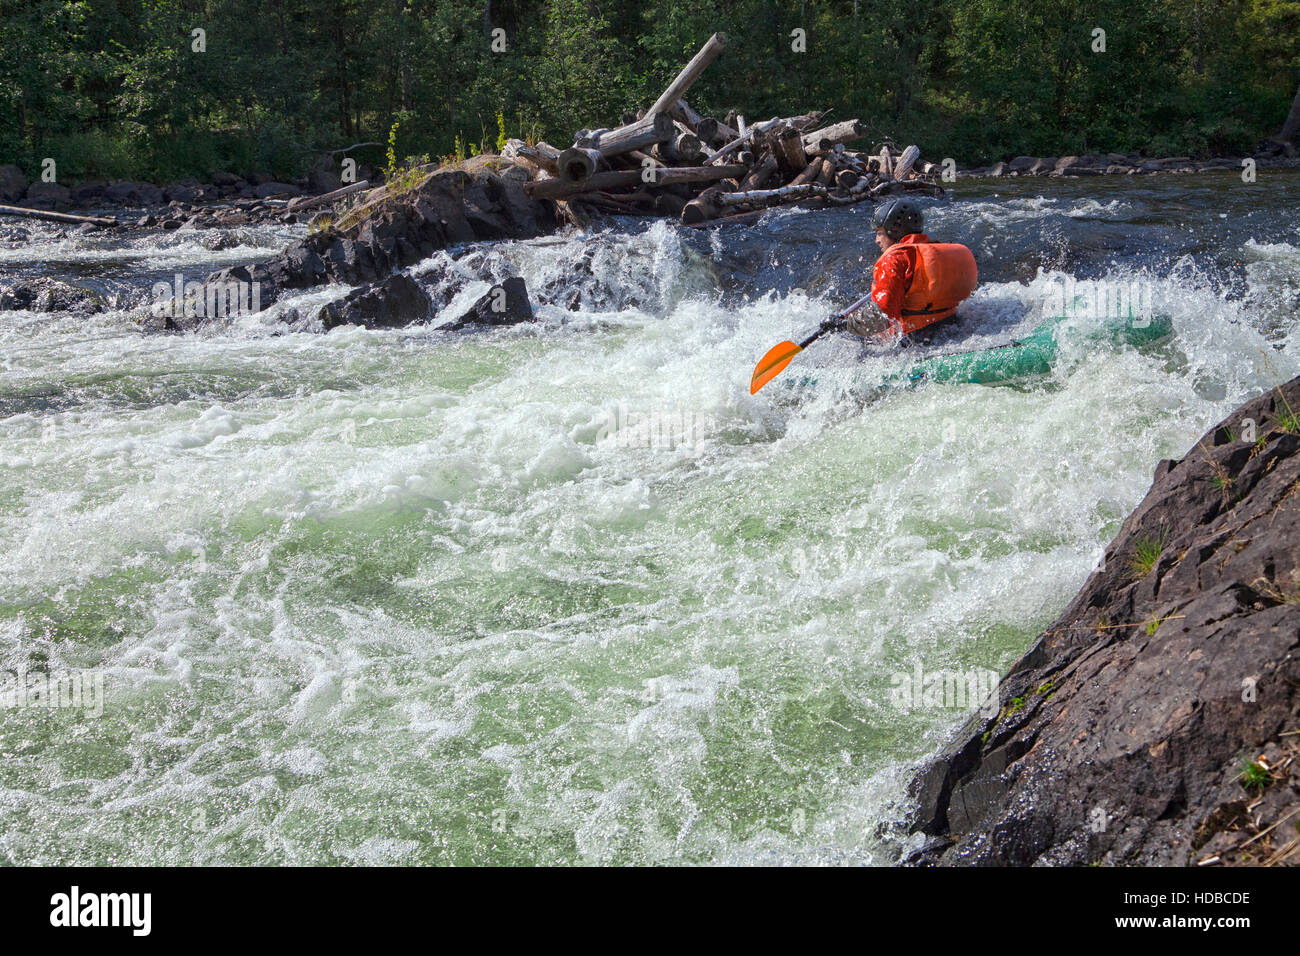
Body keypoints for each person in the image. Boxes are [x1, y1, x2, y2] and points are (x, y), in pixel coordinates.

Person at [845, 199, 978, 340]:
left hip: (915, 339)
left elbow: (881, 317)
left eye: (879, 233)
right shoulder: (936, 249)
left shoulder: (895, 258)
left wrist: (845, 325)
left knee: (851, 338)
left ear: (894, 230)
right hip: (952, 325)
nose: (876, 240)